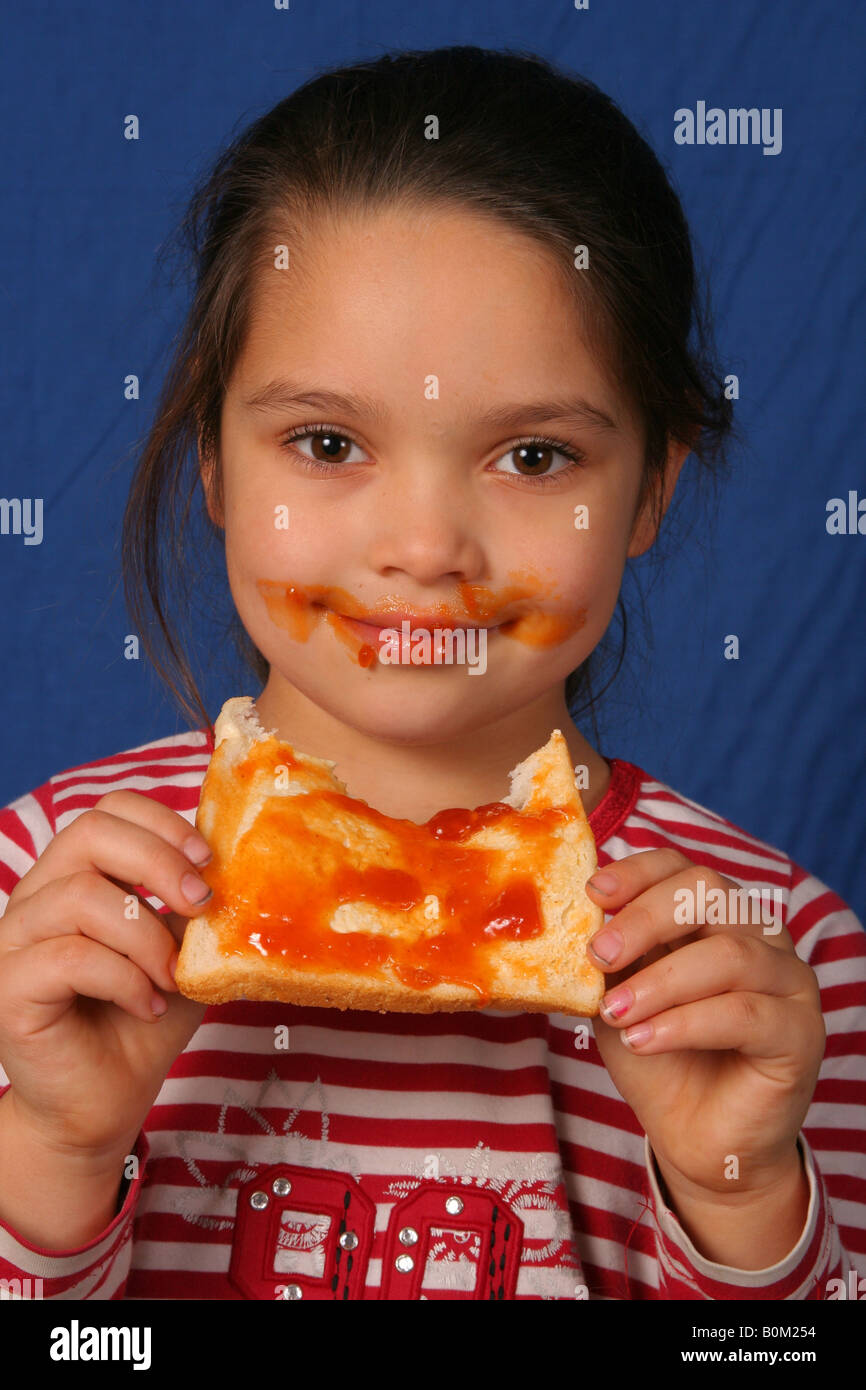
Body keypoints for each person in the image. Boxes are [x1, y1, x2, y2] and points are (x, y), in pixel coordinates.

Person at [0, 46, 862, 1302]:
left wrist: (738, 1197)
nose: (422, 549)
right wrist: (54, 1151)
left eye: (531, 456)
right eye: (328, 440)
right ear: (215, 467)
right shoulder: (41, 902)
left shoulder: (774, 963)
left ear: (649, 492)